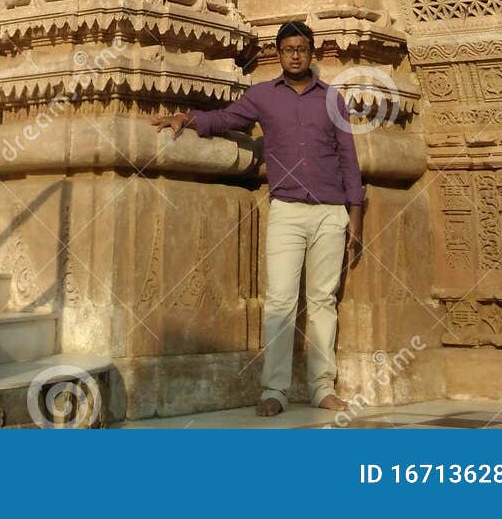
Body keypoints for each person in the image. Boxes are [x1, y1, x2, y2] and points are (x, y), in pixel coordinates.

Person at [152, 21, 364, 416]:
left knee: (323, 300)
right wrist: (187, 118)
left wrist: (355, 214)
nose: (295, 55)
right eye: (288, 49)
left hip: (330, 212)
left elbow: (348, 159)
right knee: (281, 300)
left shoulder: (332, 99)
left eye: (302, 49)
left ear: (311, 53)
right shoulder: (263, 96)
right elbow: (227, 119)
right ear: (279, 54)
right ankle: (274, 390)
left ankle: (321, 387)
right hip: (286, 211)